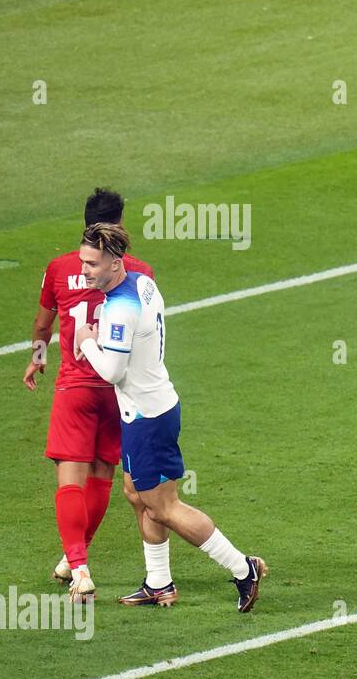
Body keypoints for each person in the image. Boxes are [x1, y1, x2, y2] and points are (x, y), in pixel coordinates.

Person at [75, 222, 267, 612]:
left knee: (164, 506)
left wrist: (88, 341)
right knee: (134, 494)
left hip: (147, 417)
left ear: (115, 262)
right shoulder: (143, 282)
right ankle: (159, 583)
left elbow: (111, 371)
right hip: (146, 408)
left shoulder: (119, 309)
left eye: (93, 264)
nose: (86, 271)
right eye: (83, 262)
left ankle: (242, 567)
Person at [24, 188, 155, 603]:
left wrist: (38, 358)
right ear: (120, 223)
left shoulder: (60, 268)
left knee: (70, 480)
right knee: (101, 476)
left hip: (75, 388)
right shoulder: (141, 272)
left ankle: (80, 570)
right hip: (118, 390)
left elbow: (44, 325)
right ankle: (72, 559)